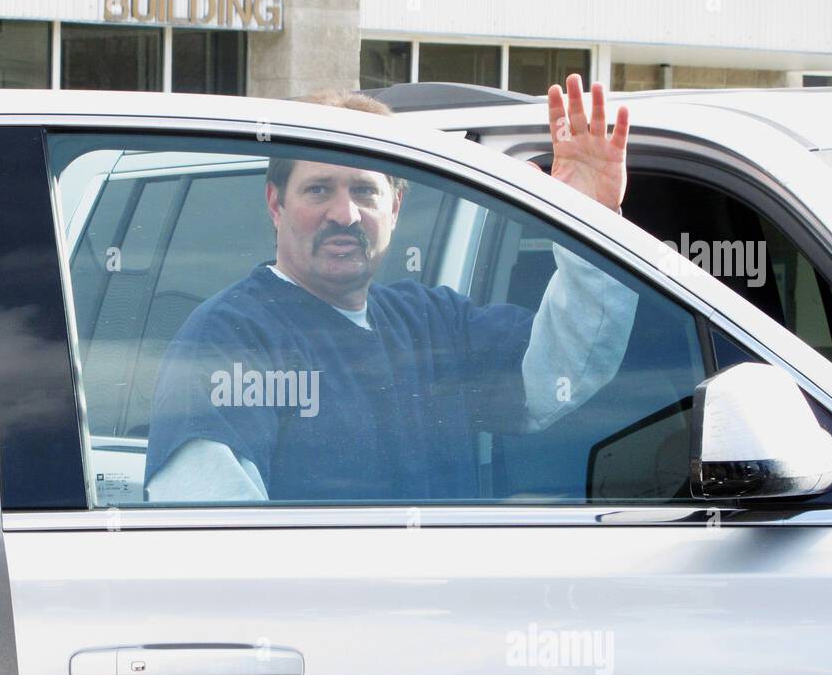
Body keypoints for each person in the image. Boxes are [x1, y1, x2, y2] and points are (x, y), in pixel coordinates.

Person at [144, 75, 639, 502]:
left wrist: (589, 223)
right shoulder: (229, 338)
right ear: (276, 203)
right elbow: (217, 539)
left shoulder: (431, 321)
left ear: (396, 206)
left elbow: (558, 375)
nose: (345, 214)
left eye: (364, 190)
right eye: (319, 189)